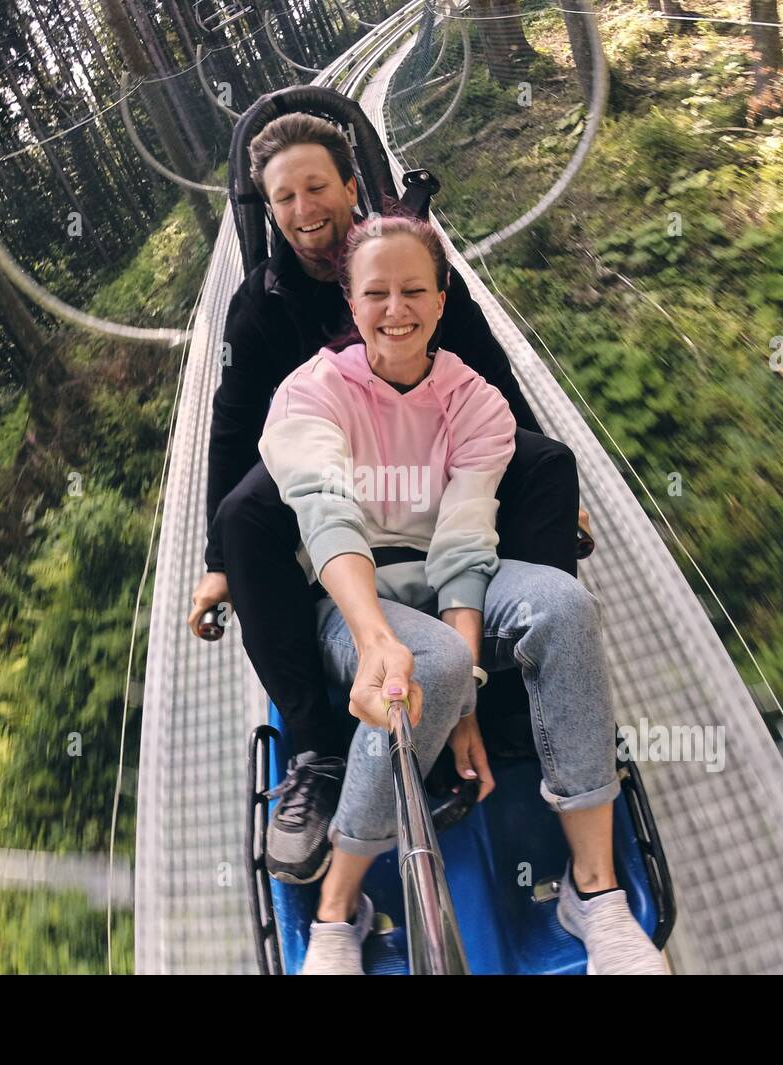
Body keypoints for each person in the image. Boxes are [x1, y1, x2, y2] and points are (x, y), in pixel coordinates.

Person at [258, 213, 667, 976]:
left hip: (439, 578)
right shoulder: (309, 394)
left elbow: (466, 542)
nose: (395, 309)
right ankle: (339, 909)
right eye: (376, 292)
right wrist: (378, 637)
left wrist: (470, 702)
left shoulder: (475, 401)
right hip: (352, 594)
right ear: (352, 304)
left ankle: (595, 890)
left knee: (562, 607)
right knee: (429, 663)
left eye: (414, 289)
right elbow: (326, 516)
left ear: (442, 298)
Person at [187, 112, 588, 885]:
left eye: (316, 187)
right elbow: (234, 430)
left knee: (545, 463)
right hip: (325, 464)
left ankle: (507, 694)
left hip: (431, 446)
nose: (304, 210)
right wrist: (215, 561)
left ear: (350, 187)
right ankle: (317, 749)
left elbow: (488, 371)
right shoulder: (260, 305)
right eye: (284, 198)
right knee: (244, 514)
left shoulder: (408, 265)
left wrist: (544, 472)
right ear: (268, 212)